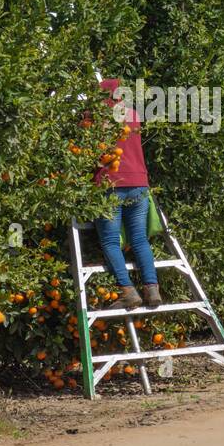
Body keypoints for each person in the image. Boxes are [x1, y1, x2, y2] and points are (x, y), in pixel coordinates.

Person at [93, 77, 161, 309]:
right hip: (140, 183)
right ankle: (152, 289)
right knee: (139, 238)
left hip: (110, 184)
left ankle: (127, 291)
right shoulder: (132, 114)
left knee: (111, 241)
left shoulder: (96, 116)